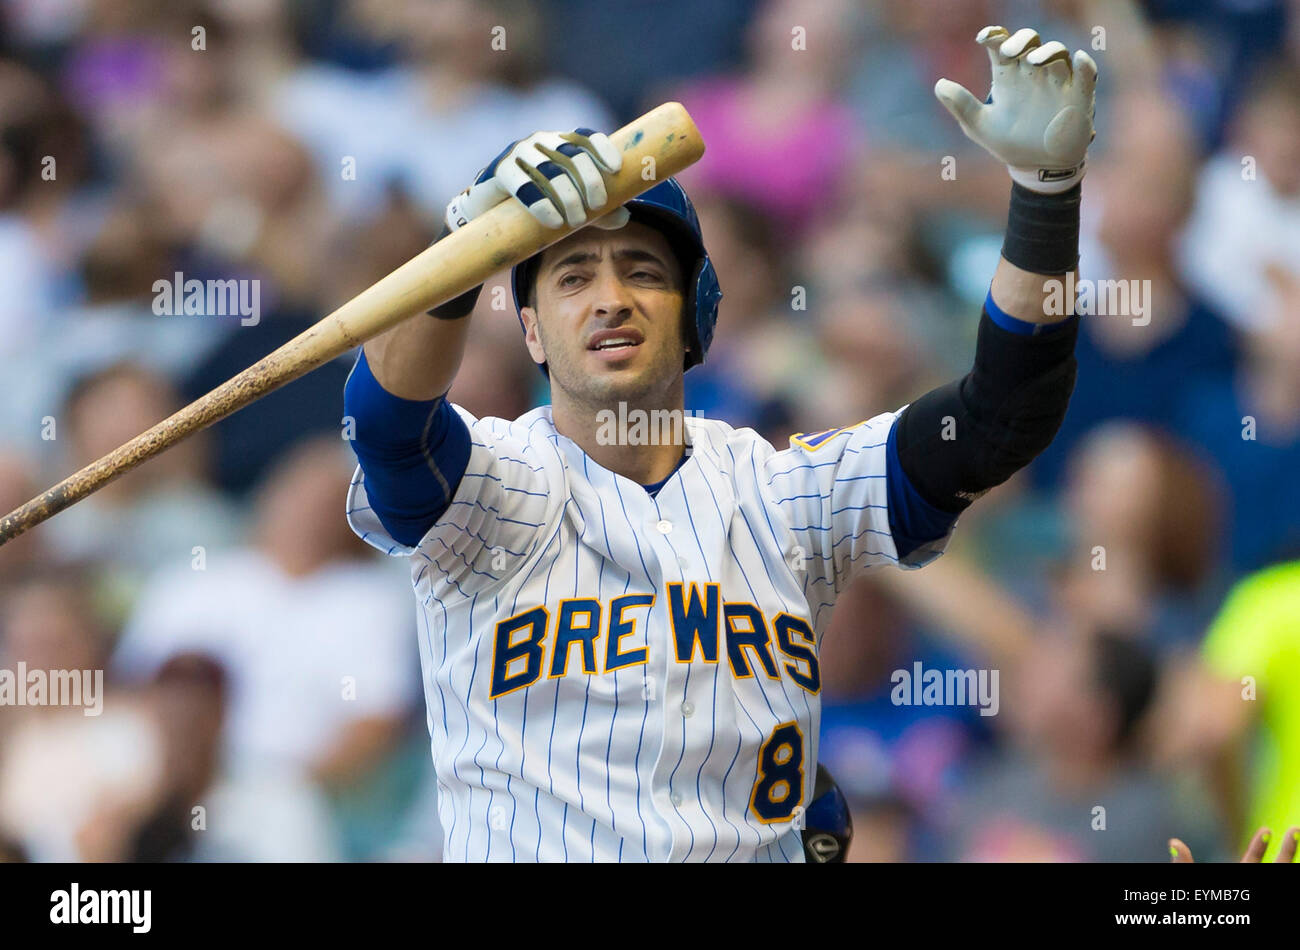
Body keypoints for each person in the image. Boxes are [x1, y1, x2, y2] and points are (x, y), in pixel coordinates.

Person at [344, 25, 1097, 862]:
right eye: (571, 276)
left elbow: (1003, 411)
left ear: (695, 317)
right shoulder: (492, 486)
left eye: (643, 269)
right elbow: (385, 424)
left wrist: (1045, 194)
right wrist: (463, 250)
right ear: (529, 330)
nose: (610, 298)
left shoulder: (784, 492)